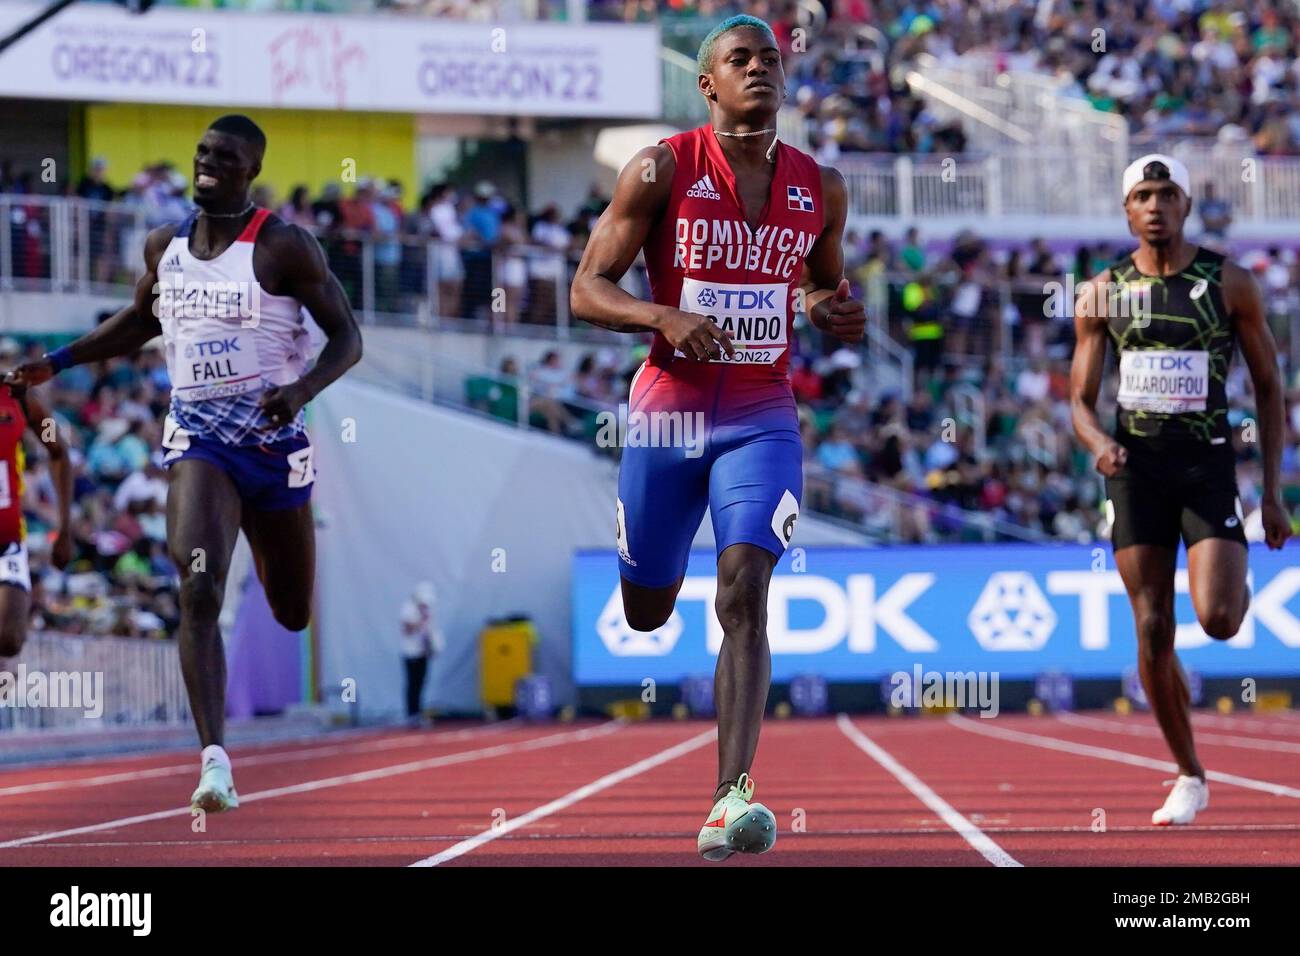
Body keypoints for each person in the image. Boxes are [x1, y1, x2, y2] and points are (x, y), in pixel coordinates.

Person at [5, 114, 363, 813]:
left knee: (292, 611)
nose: (206, 163)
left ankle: (268, 541)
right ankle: (215, 762)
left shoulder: (284, 246)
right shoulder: (163, 246)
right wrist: (59, 360)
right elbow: (142, 320)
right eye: (201, 152)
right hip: (199, 438)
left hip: (273, 444)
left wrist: (301, 390)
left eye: (223, 156)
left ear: (249, 169)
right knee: (197, 589)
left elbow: (348, 336)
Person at [570, 14, 865, 861]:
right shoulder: (661, 167)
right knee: (648, 608)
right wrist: (663, 314)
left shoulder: (821, 186)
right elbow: (588, 289)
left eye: (770, 58)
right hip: (669, 410)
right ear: (709, 83)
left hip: (763, 412)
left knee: (742, 589)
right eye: (741, 60)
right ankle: (643, 565)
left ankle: (730, 796)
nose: (760, 70)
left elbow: (817, 285)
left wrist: (828, 309)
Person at [1070, 153, 1290, 826]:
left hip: (1207, 465)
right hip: (1136, 470)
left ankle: (1234, 571)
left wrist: (1274, 493)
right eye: (1144, 194)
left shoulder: (1230, 282)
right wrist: (1099, 444)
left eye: (1168, 193)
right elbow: (1078, 400)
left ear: (1186, 206)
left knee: (1220, 619)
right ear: (1127, 211)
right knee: (1151, 623)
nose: (1156, 204)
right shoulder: (1102, 291)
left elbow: (1269, 387)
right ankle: (1189, 772)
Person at [0, 382, 73, 656]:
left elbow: (58, 450)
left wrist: (65, 528)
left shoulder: (18, 396)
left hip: (6, 540)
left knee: (9, 638)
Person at [399, 581, 443, 727]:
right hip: (411, 653)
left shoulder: (428, 611)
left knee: (421, 683)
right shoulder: (408, 608)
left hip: (423, 652)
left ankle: (418, 713)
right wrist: (421, 622)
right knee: (413, 683)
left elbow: (429, 633)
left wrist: (433, 648)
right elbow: (406, 629)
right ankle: (411, 714)